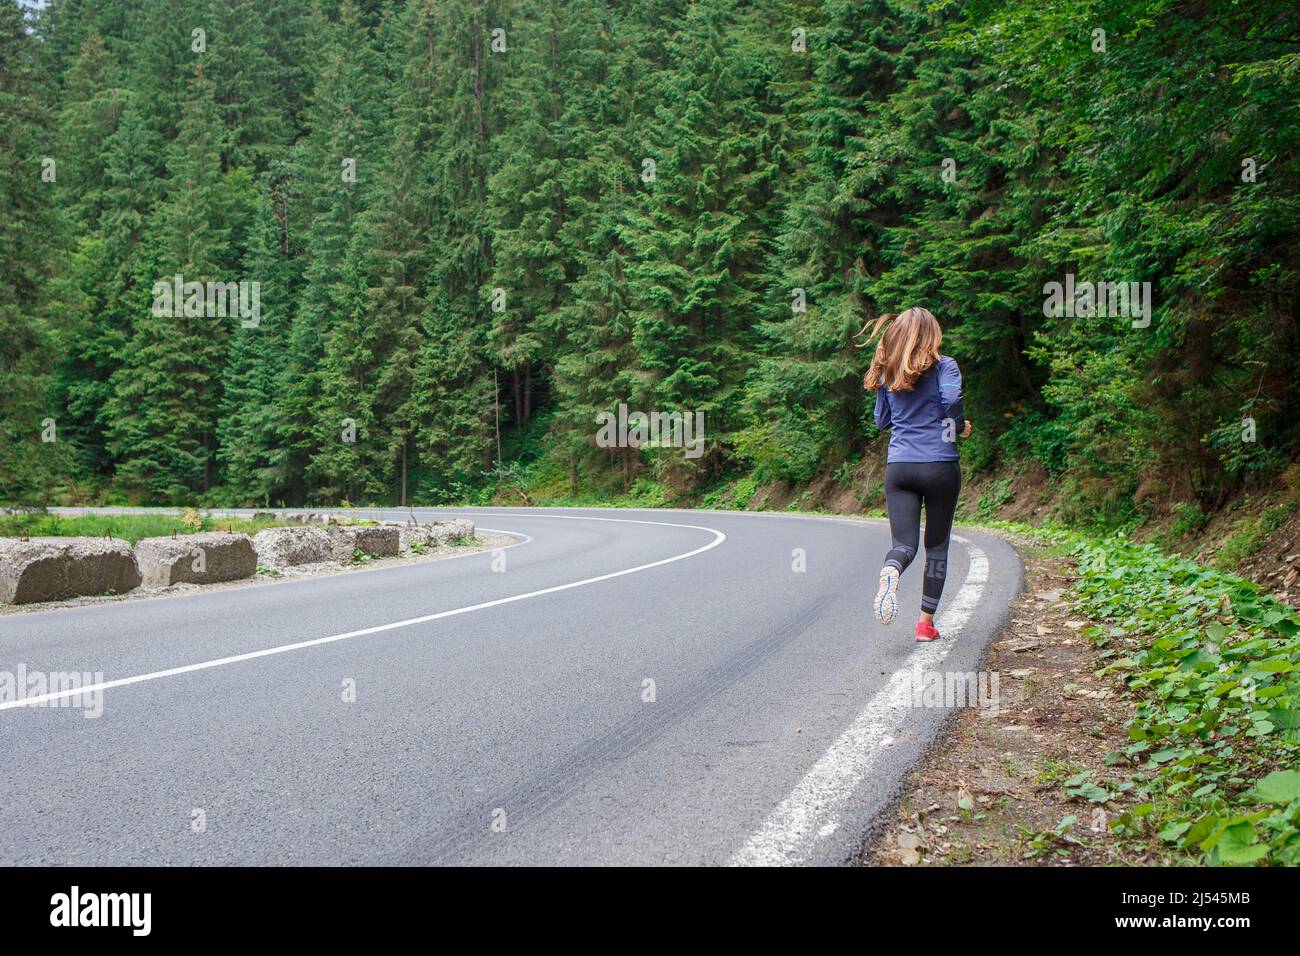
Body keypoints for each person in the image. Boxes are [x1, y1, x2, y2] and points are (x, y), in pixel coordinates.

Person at [860, 307, 972, 642]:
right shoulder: (945, 366)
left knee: (904, 545)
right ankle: (925, 624)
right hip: (940, 466)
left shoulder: (887, 371)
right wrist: (957, 426)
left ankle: (891, 569)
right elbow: (951, 399)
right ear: (931, 334)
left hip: (900, 468)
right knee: (936, 547)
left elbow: (882, 422)